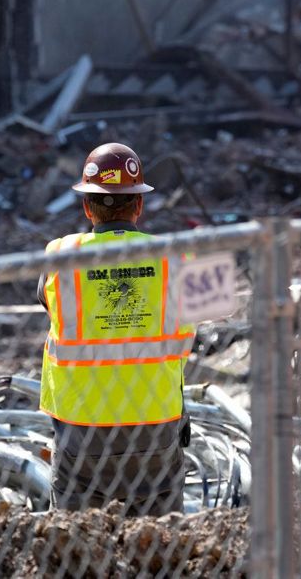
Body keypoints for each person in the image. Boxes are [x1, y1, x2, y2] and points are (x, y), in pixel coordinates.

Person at [37, 142, 193, 515]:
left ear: (87, 207)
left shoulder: (60, 255)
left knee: (77, 544)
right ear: (139, 205)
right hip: (157, 425)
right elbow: (219, 308)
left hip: (82, 431)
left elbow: (46, 300)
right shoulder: (179, 255)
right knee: (161, 539)